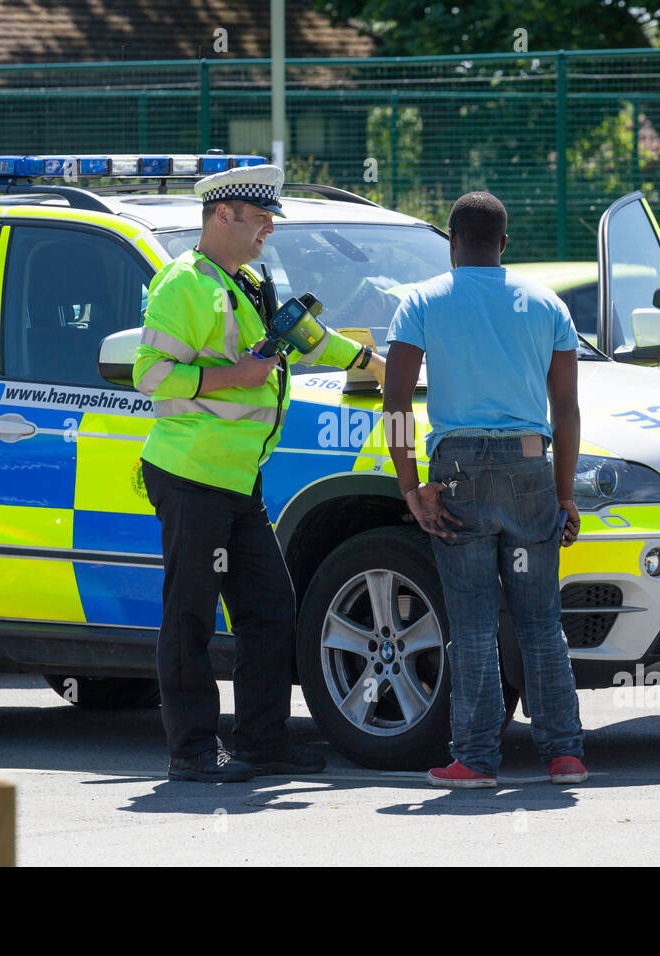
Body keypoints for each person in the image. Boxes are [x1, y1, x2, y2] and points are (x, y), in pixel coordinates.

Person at [134, 164, 386, 782]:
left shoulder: (249, 282)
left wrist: (379, 364)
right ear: (225, 214)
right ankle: (192, 752)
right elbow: (150, 375)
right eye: (261, 216)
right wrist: (234, 376)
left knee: (270, 607)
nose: (270, 227)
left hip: (237, 479)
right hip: (192, 473)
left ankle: (262, 742)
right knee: (190, 613)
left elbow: (310, 338)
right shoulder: (182, 284)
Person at [382, 190, 587, 788]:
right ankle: (564, 754)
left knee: (472, 623)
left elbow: (396, 404)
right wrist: (564, 495)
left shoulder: (421, 301)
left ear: (451, 242)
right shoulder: (547, 304)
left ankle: (474, 759)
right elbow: (566, 409)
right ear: (504, 244)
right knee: (540, 619)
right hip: (529, 473)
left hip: (458, 473)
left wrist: (410, 485)